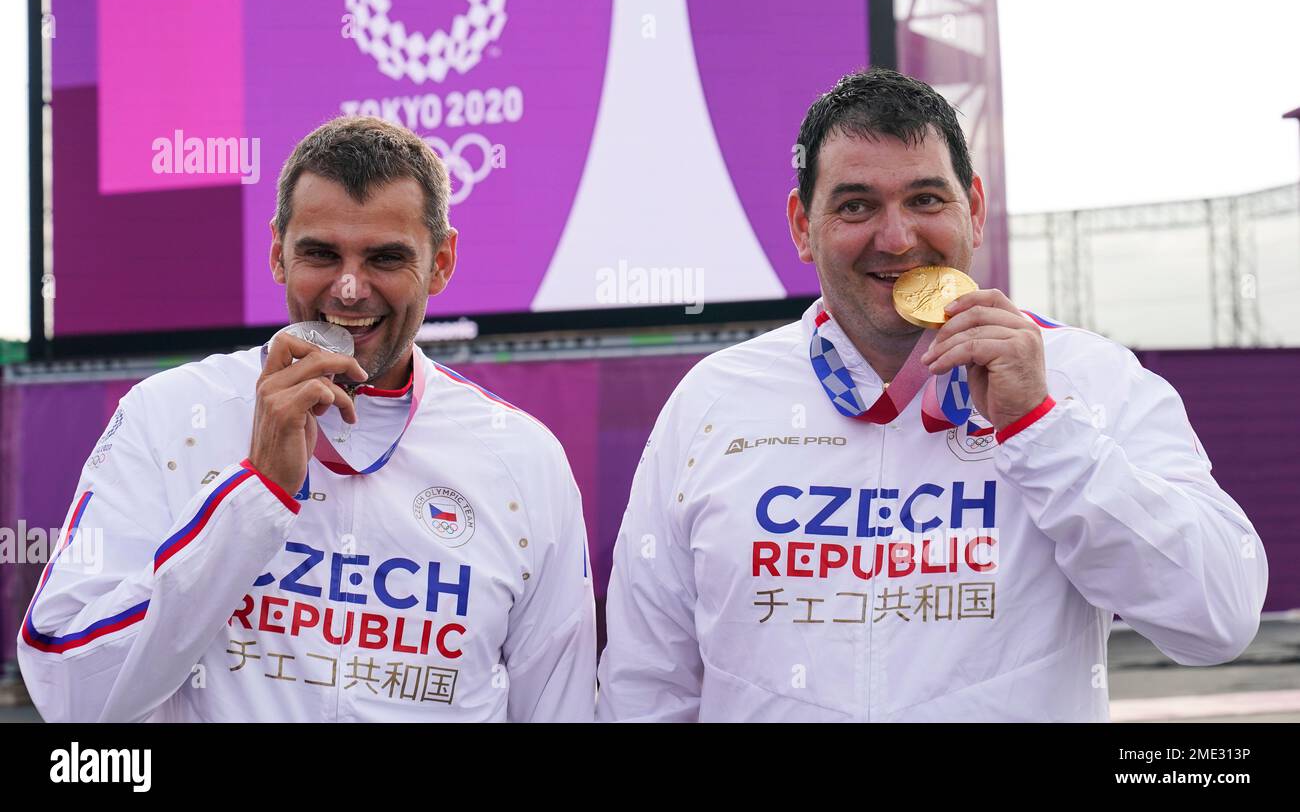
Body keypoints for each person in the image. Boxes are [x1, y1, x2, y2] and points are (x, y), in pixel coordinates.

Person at [596, 68, 1268, 722]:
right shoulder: (714, 399)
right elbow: (646, 681)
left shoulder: (1088, 379)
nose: (897, 238)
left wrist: (1040, 428)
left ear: (972, 209)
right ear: (804, 226)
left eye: (925, 199)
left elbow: (1217, 618)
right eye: (856, 205)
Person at [19, 117, 596, 722]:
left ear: (442, 262)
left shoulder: (522, 459)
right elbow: (69, 688)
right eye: (320, 253)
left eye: (386, 257)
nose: (349, 288)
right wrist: (252, 495)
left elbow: (559, 710)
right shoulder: (166, 417)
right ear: (277, 253)